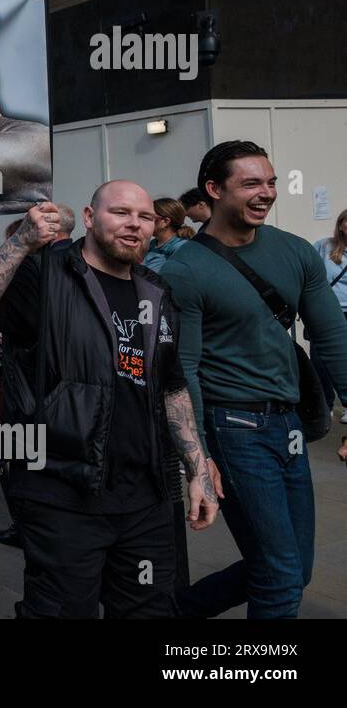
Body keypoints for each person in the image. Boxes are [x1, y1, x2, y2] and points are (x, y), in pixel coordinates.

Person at [0, 184, 218, 617]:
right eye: (120, 212)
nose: (134, 224)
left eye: (145, 216)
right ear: (90, 218)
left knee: (150, 610)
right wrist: (22, 242)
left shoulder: (156, 291)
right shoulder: (46, 275)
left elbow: (172, 387)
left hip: (145, 496)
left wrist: (198, 469)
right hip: (63, 492)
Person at [164, 142, 347, 618]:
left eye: (270, 182)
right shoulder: (185, 269)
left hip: (288, 425)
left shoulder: (294, 251)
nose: (266, 192)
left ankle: (172, 611)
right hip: (232, 429)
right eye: (251, 184)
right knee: (280, 577)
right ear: (214, 189)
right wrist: (199, 459)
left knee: (294, 569)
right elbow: (184, 371)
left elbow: (332, 336)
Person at [0, 208, 75, 549]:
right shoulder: (88, 265)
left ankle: (28, 527)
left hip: (28, 382)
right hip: (75, 389)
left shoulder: (26, 269)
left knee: (14, 454)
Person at [311, 208, 347, 421]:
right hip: (327, 311)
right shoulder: (324, 246)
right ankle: (324, 405)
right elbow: (310, 272)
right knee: (320, 361)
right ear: (341, 224)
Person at [143, 198, 189, 272]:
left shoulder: (180, 247)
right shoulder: (153, 243)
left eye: (150, 218)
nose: (144, 222)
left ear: (165, 222)